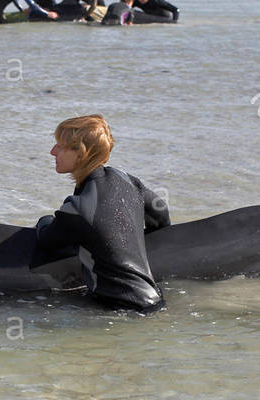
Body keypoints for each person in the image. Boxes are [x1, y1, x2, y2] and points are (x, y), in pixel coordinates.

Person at [32, 115, 169, 312]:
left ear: (80, 154)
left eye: (60, 147)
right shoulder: (127, 180)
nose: (52, 152)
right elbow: (161, 213)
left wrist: (44, 220)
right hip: (154, 299)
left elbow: (46, 240)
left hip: (117, 308)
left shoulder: (78, 209)